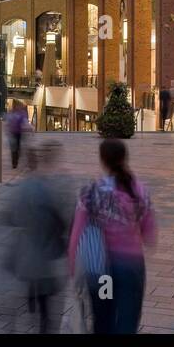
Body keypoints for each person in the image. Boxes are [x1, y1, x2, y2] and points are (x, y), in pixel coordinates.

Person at [68, 140, 156, 334]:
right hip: (131, 268)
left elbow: (77, 232)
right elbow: (150, 235)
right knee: (128, 319)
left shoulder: (90, 192)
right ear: (124, 159)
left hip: (102, 271)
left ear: (102, 160)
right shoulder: (139, 191)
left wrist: (73, 267)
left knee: (103, 318)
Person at [8, 140, 70, 332]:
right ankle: (44, 320)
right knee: (43, 284)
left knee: (33, 276)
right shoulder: (45, 187)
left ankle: (33, 302)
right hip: (43, 247)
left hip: (28, 245)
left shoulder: (23, 187)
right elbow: (58, 216)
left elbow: (13, 216)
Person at [6, 101, 29, 169]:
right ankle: (14, 163)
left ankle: (16, 159)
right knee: (13, 148)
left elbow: (25, 121)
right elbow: (8, 122)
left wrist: (27, 128)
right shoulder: (11, 113)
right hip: (12, 133)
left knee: (18, 148)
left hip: (19, 133)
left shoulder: (22, 113)